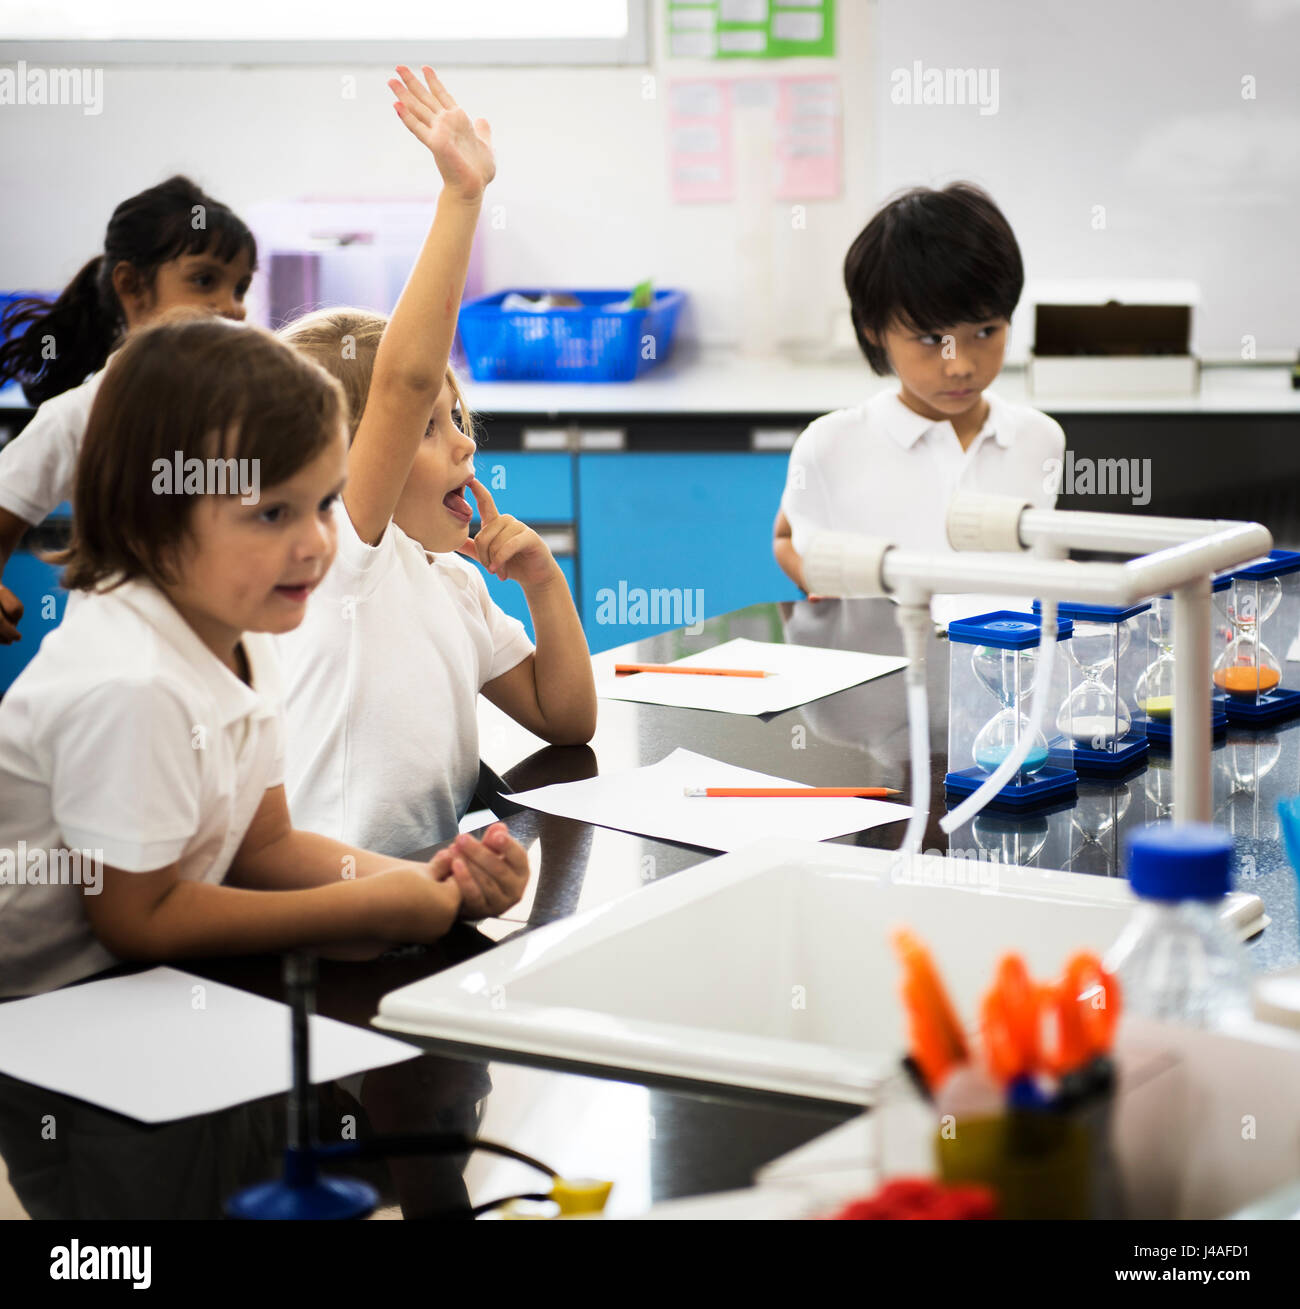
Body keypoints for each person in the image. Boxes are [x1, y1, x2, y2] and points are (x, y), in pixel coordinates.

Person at [0, 314, 530, 998]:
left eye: (322, 504)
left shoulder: (242, 637)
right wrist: (361, 906)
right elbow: (138, 919)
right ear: (155, 518)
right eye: (274, 514)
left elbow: (265, 846)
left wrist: (430, 884)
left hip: (132, 998)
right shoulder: (133, 680)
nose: (317, 543)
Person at [277, 65, 596, 856]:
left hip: (427, 896)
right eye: (426, 429)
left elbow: (566, 719)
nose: (464, 441)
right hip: (329, 917)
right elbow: (405, 375)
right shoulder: (342, 565)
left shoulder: (449, 583)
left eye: (456, 418)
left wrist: (545, 585)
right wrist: (462, 199)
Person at [773, 183, 1065, 607]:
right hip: (882, 666)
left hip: (1004, 668)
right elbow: (786, 536)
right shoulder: (831, 444)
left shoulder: (1040, 439)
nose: (960, 364)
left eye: (985, 331)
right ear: (874, 330)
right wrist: (815, 580)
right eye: (930, 339)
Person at [0, 175, 257, 644]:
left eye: (240, 288)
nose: (230, 307)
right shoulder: (83, 412)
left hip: (220, 657)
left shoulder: (248, 408)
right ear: (132, 287)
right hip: (111, 660)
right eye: (205, 281)